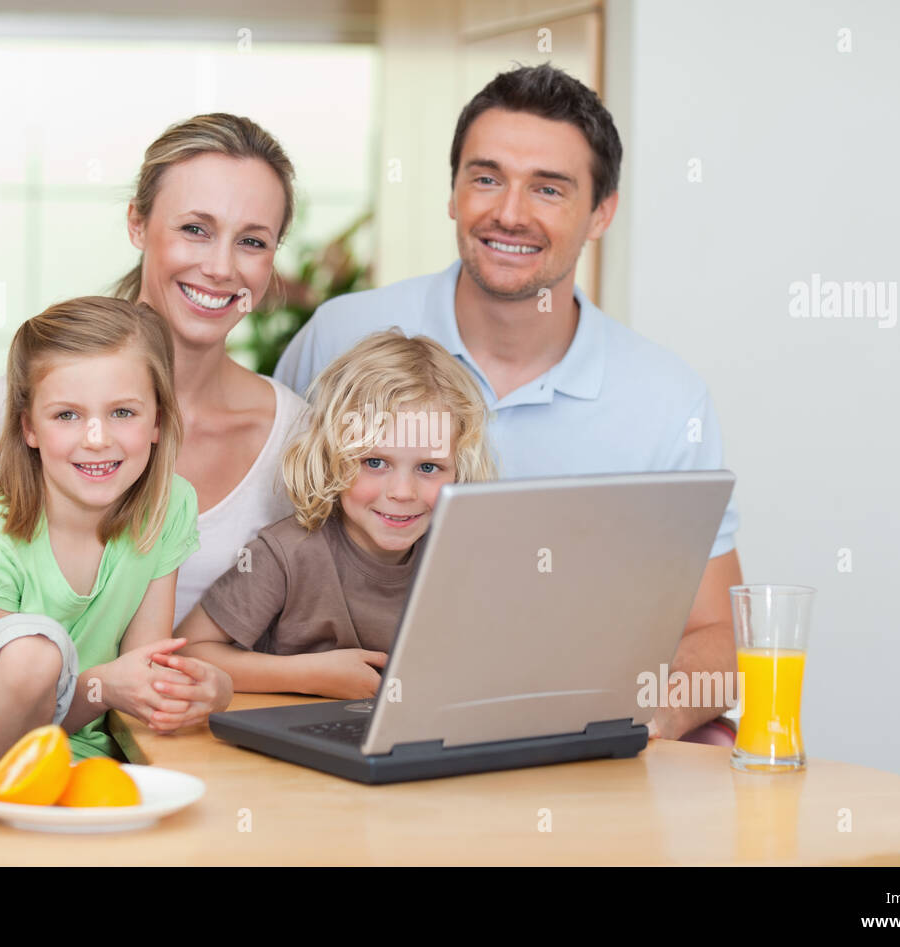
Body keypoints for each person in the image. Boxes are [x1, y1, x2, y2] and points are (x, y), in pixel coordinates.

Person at [274, 64, 743, 745]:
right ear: (453, 192)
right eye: (486, 178)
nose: (509, 213)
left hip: (565, 754)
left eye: (548, 189)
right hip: (346, 731)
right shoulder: (341, 337)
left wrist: (621, 723)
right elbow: (261, 550)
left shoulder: (668, 400)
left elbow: (720, 637)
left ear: (601, 213)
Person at [0, 114, 309, 663]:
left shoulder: (297, 435)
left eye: (252, 241)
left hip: (202, 740)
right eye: (195, 229)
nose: (220, 267)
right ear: (138, 225)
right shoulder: (15, 406)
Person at [0, 297, 232, 769]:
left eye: (123, 413)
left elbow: (144, 670)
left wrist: (215, 688)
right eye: (67, 415)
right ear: (29, 428)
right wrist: (104, 687)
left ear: (157, 421)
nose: (96, 438)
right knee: (34, 655)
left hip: (97, 760)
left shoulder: (168, 507)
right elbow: (16, 733)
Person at [165, 331, 496, 699]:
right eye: (374, 462)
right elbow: (190, 652)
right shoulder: (286, 555)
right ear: (332, 457)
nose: (403, 492)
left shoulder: (458, 561)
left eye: (429, 468)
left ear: (459, 470)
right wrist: (308, 675)